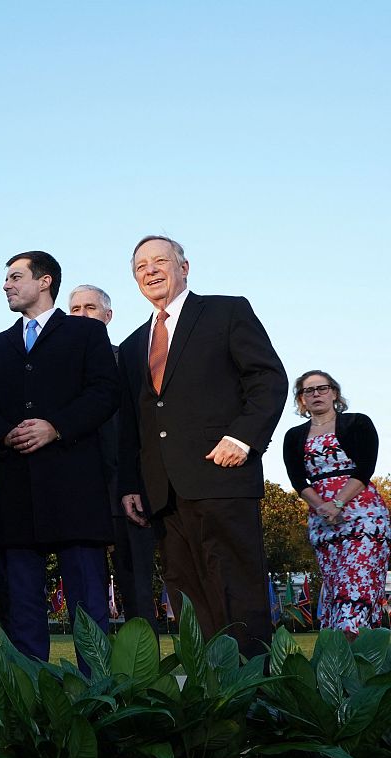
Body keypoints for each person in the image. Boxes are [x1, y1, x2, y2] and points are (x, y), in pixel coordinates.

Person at [118, 235, 287, 657]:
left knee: (236, 592)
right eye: (141, 267)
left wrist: (243, 437)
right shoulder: (134, 343)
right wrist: (130, 483)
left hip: (221, 477)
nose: (151, 271)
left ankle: (254, 696)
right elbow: (132, 421)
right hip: (163, 494)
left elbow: (267, 379)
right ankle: (212, 697)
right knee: (188, 599)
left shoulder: (227, 311)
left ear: (184, 267)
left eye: (160, 261)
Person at [0, 252, 119, 665]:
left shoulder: (85, 335)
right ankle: (35, 699)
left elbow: (104, 393)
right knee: (21, 607)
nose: (6, 285)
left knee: (88, 604)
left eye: (15, 277)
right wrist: (6, 433)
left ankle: (98, 695)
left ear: (45, 281)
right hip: (14, 493)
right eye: (5, 278)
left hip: (75, 487)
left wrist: (56, 426)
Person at [68, 283, 158, 630]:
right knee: (83, 591)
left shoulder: (131, 361)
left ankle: (145, 671)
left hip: (126, 492)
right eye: (75, 309)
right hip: (77, 496)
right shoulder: (55, 370)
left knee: (136, 585)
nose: (83, 315)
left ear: (108, 316)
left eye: (90, 307)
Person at [282, 371, 389, 638]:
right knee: (336, 588)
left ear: (335, 393)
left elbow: (365, 468)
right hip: (324, 522)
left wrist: (338, 503)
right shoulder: (294, 436)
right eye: (309, 391)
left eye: (322, 388)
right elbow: (297, 478)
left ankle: (351, 647)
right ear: (301, 400)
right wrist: (323, 507)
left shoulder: (357, 423)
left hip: (364, 517)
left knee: (357, 587)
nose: (316, 394)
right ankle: (344, 667)